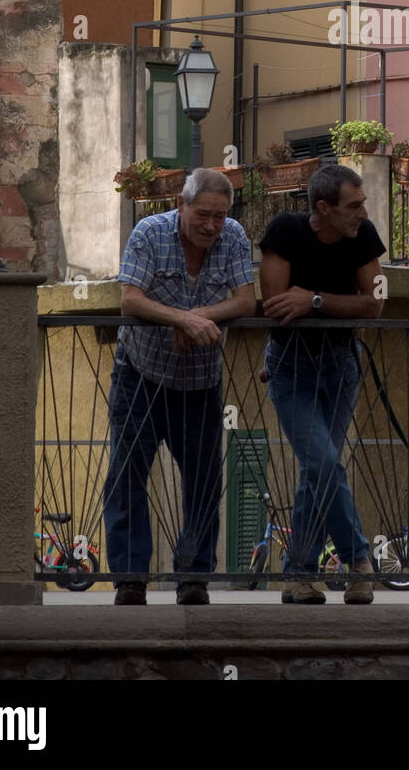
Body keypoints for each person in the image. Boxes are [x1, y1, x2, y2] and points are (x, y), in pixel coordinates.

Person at [103, 167, 255, 605]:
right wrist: (181, 318)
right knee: (127, 474)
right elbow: (129, 297)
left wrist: (200, 315)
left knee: (204, 480)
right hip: (140, 372)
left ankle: (193, 576)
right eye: (203, 214)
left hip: (200, 381)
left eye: (220, 216)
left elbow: (247, 299)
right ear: (181, 206)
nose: (211, 225)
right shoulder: (149, 233)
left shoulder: (235, 237)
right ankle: (131, 578)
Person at [260, 164, 386, 605]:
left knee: (318, 470)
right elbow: (277, 305)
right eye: (354, 205)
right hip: (291, 368)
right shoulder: (286, 231)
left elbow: (376, 305)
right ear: (323, 208)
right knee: (326, 463)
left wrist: (312, 299)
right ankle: (359, 561)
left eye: (362, 203)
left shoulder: (364, 236)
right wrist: (341, 308)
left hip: (340, 367)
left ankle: (298, 574)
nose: (362, 212)